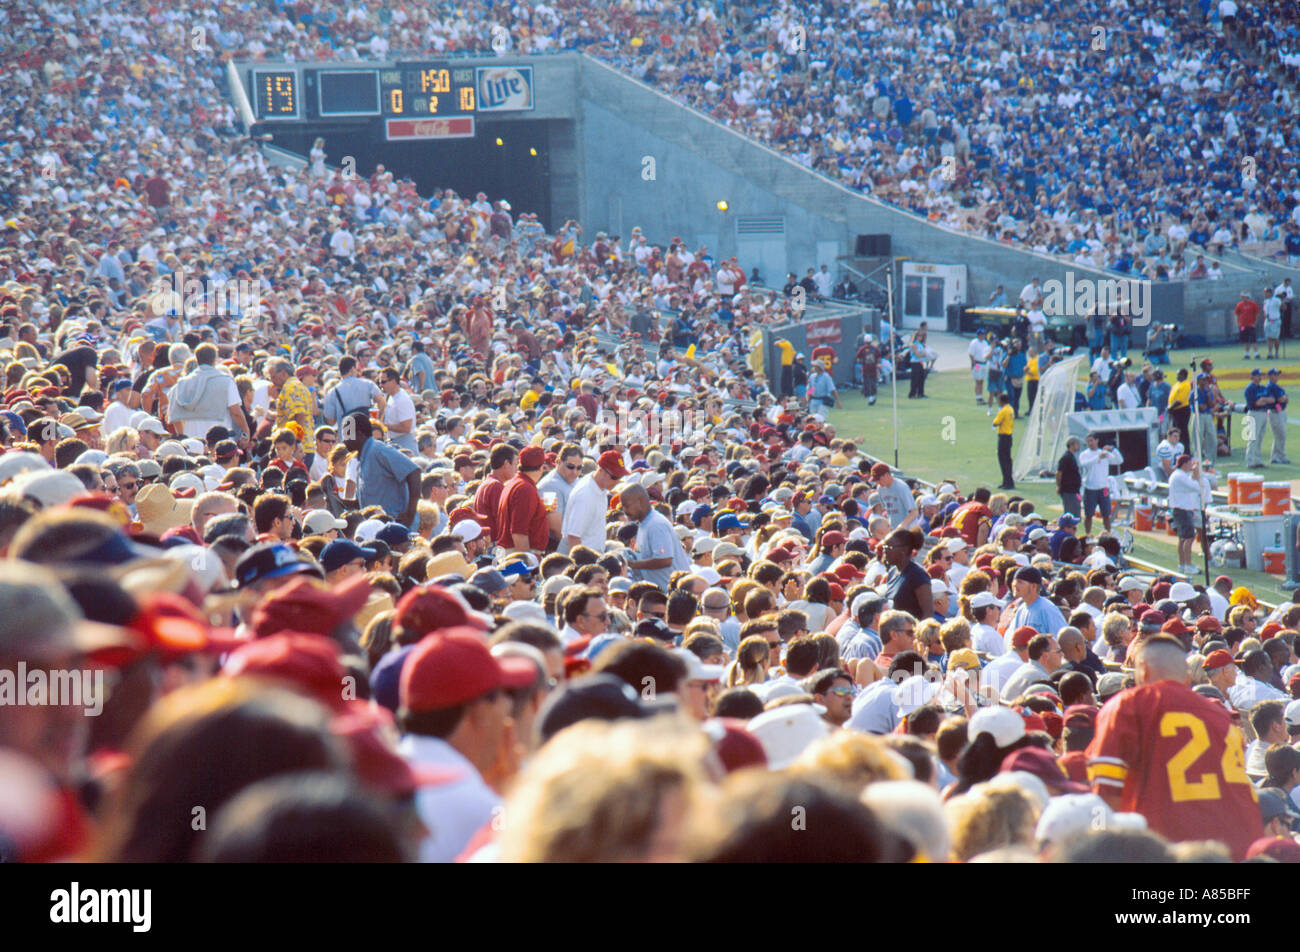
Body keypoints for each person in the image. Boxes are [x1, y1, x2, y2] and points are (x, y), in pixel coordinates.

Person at [1087, 636, 1263, 860]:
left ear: (1143, 669)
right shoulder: (1220, 715)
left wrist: (1095, 846)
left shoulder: (1128, 705)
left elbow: (1104, 796)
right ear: (1187, 676)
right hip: (1242, 846)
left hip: (1171, 849)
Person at [341, 411, 421, 531]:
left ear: (360, 434)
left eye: (347, 435)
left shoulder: (377, 450)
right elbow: (361, 504)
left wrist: (410, 513)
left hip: (395, 528)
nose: (344, 441)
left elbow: (414, 472)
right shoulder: (361, 459)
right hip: (378, 528)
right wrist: (338, 500)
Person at [1167, 455, 1209, 576]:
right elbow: (1197, 487)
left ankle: (1182, 565)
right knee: (1189, 538)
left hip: (1180, 509)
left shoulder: (1178, 475)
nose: (1192, 466)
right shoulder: (1180, 476)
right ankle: (1188, 565)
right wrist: (1196, 475)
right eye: (1191, 463)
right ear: (1185, 463)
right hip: (1182, 510)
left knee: (1183, 538)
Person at [1078, 434, 1121, 535]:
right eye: (1088, 441)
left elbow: (1119, 460)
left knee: (1106, 514)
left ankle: (1108, 534)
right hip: (1090, 488)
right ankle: (1088, 534)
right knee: (1089, 515)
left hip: (1103, 488)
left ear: (1097, 440)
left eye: (1091, 441)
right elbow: (1084, 465)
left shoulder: (1103, 453)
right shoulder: (1084, 454)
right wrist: (1098, 457)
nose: (1090, 443)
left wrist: (1113, 449)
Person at [1243, 368, 1275, 469]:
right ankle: (1250, 461)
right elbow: (1256, 403)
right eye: (1258, 375)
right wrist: (1264, 400)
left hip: (1263, 413)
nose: (1260, 377)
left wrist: (1263, 400)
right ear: (1252, 377)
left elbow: (1272, 399)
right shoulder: (1249, 388)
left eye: (1260, 375)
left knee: (1260, 437)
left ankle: (1257, 460)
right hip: (1254, 413)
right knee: (1253, 438)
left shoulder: (1263, 387)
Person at [1265, 368, 1290, 465]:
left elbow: (1285, 398)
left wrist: (1283, 399)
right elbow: (1279, 399)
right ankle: (1279, 456)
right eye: (1275, 374)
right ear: (1270, 376)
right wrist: (1283, 399)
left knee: (1280, 435)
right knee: (1281, 435)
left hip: (1280, 412)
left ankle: (1277, 456)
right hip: (1275, 412)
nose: (1277, 376)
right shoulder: (1270, 387)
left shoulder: (1275, 386)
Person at [992, 393, 1015, 490]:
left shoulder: (1003, 411)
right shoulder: (1010, 409)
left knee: (1003, 460)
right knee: (1008, 460)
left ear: (1001, 401)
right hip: (1009, 436)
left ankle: (1007, 482)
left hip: (1003, 437)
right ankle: (1008, 481)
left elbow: (995, 422)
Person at [1056, 436, 1082, 518]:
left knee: (1076, 511)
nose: (1078, 446)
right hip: (1069, 491)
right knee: (1070, 514)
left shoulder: (1072, 457)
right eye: (1077, 444)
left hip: (1074, 491)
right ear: (1072, 445)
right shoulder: (1066, 457)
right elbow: (1058, 473)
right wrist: (1060, 486)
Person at [1236, 291, 1261, 360]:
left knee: (1253, 340)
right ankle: (1247, 354)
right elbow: (1237, 314)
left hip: (1251, 325)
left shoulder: (1253, 304)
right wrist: (1238, 323)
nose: (1243, 298)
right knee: (1245, 340)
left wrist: (1255, 323)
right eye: (1242, 297)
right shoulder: (1239, 305)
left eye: (1244, 297)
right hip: (1243, 325)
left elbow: (1257, 314)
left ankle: (1256, 354)